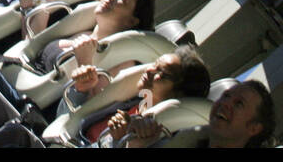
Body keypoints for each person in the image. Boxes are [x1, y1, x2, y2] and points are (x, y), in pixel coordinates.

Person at [72, 47, 211, 146]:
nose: (149, 70)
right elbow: (68, 123)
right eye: (155, 64)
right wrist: (80, 90)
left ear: (179, 94)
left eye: (162, 73)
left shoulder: (161, 139)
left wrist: (119, 141)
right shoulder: (128, 101)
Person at [142, 79, 277, 149]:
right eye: (226, 96)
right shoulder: (177, 140)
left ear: (254, 128)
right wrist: (138, 141)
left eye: (239, 104)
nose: (225, 103)